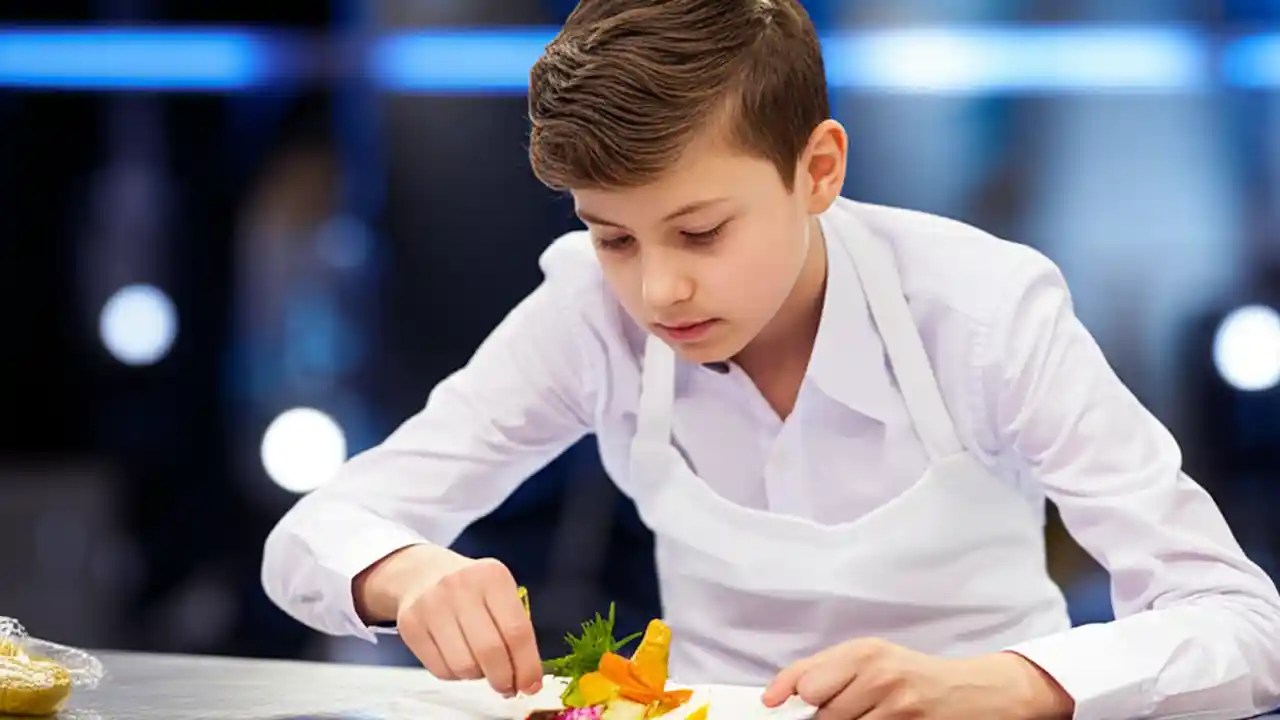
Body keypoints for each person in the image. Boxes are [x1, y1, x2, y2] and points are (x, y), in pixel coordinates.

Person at [261, 1, 1280, 717]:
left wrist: (1012, 684)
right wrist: (404, 572)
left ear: (818, 170)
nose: (656, 290)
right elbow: (310, 537)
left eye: (700, 232)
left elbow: (1241, 625)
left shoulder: (981, 308)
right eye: (614, 236)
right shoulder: (587, 306)